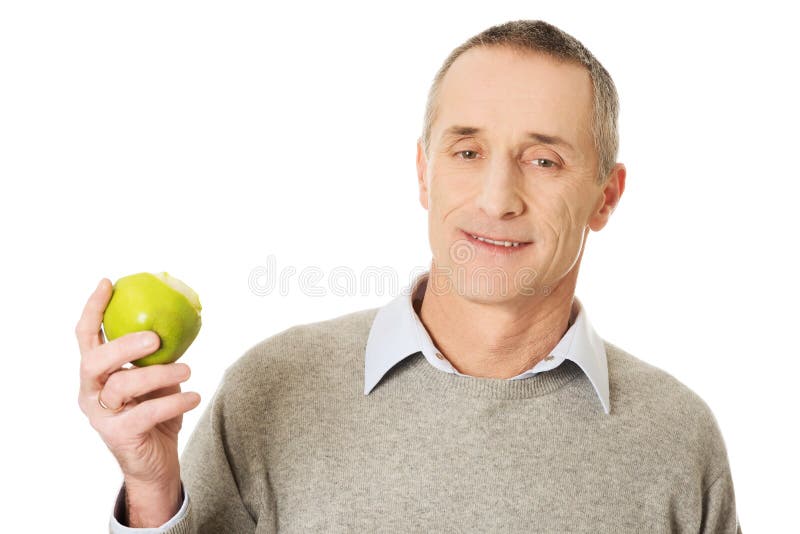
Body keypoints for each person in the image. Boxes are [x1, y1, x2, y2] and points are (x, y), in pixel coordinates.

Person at [77, 19, 742, 533]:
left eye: (543, 161)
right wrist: (153, 490)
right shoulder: (270, 390)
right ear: (423, 172)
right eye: (467, 150)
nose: (495, 197)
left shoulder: (677, 440)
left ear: (607, 196)